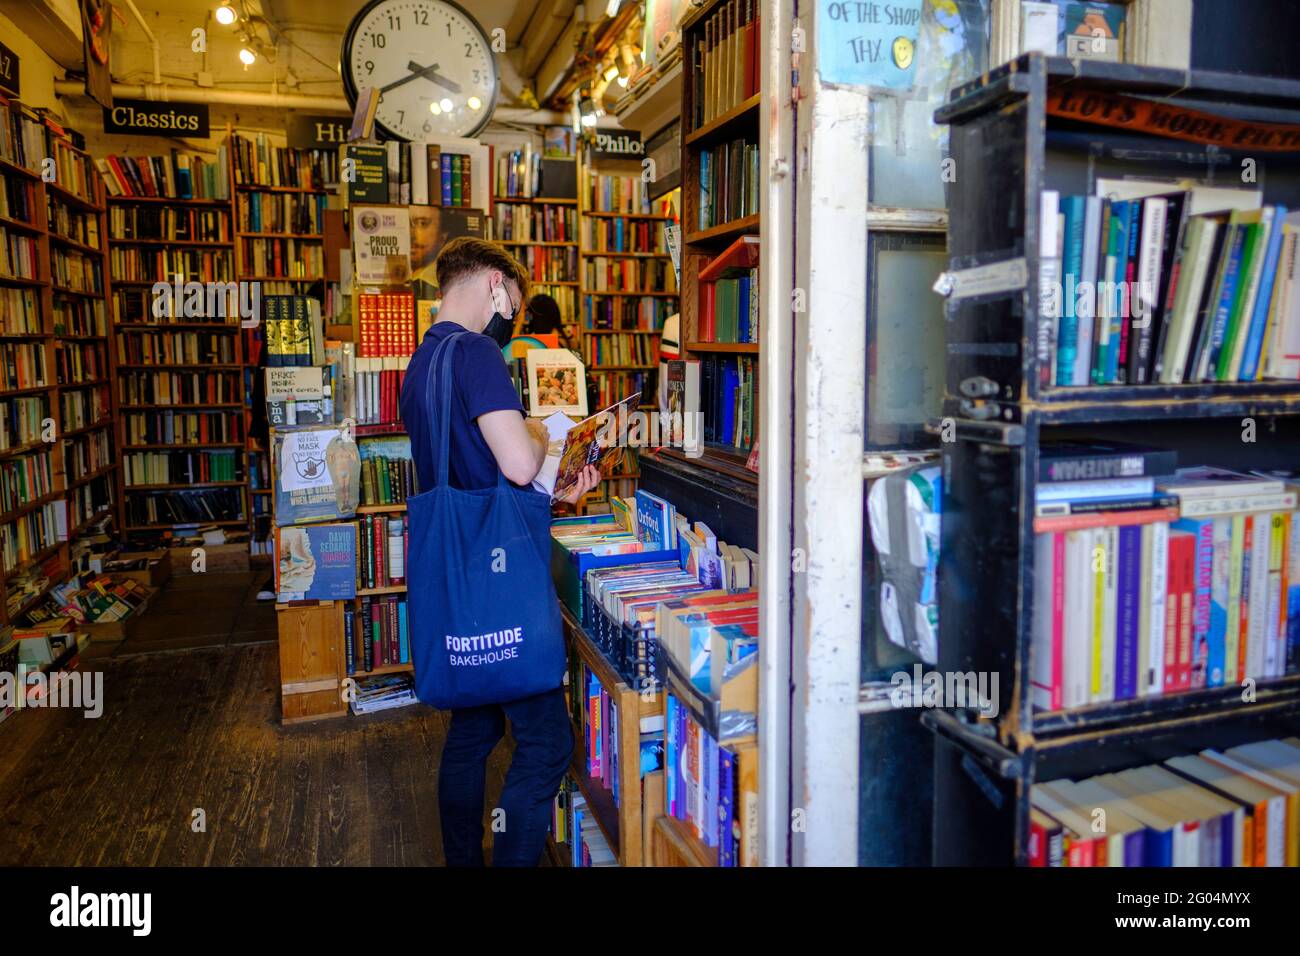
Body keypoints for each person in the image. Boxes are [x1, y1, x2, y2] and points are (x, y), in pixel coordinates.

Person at [398, 237, 601, 867]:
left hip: (457, 575)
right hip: (500, 580)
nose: (508, 320)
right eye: (509, 305)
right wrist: (542, 434)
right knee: (545, 742)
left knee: (474, 729)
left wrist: (554, 487)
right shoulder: (478, 352)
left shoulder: (421, 363)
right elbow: (514, 463)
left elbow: (465, 472)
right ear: (491, 283)